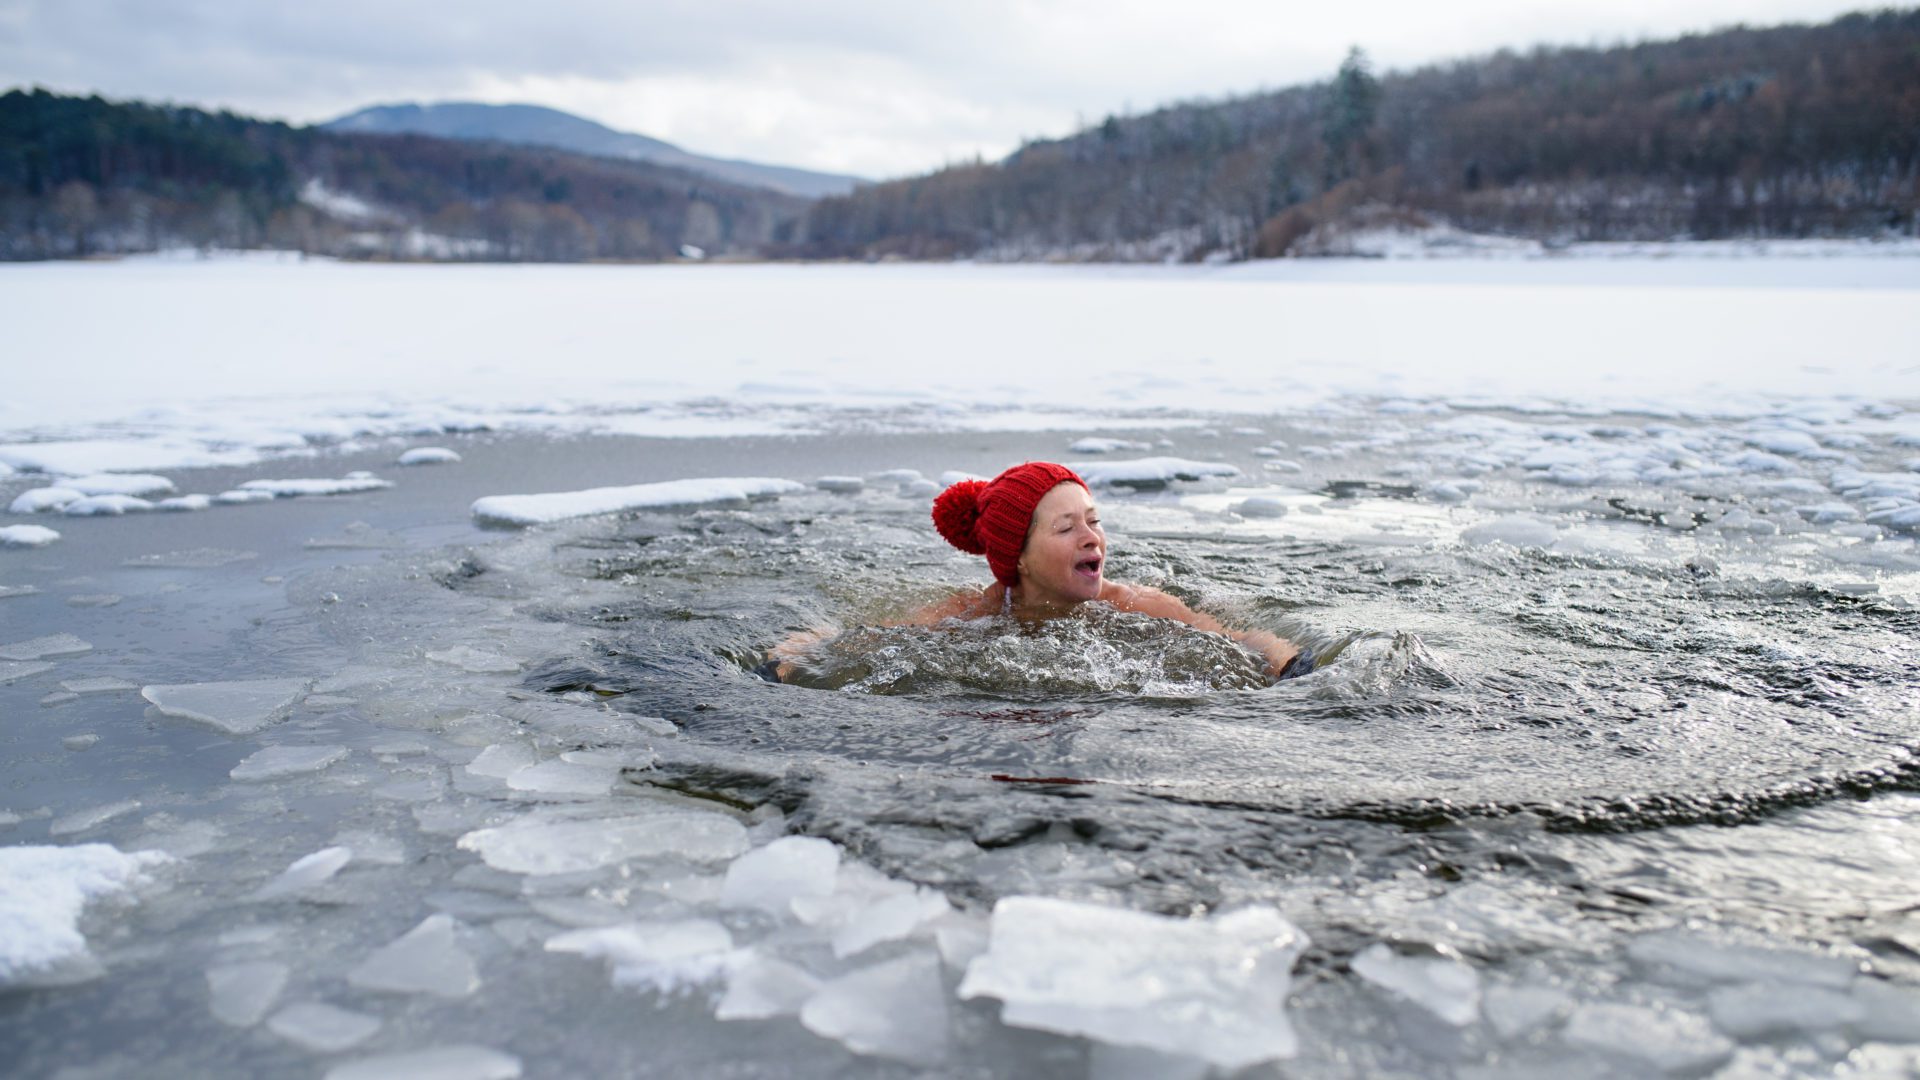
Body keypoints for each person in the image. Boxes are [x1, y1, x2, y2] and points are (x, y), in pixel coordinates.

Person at [764, 461, 1313, 683]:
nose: (1091, 536)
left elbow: (1240, 640)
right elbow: (868, 640)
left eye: (1094, 522)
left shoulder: (1135, 604)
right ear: (1018, 558)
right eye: (1065, 527)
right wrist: (797, 654)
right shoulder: (974, 612)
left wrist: (1288, 664)